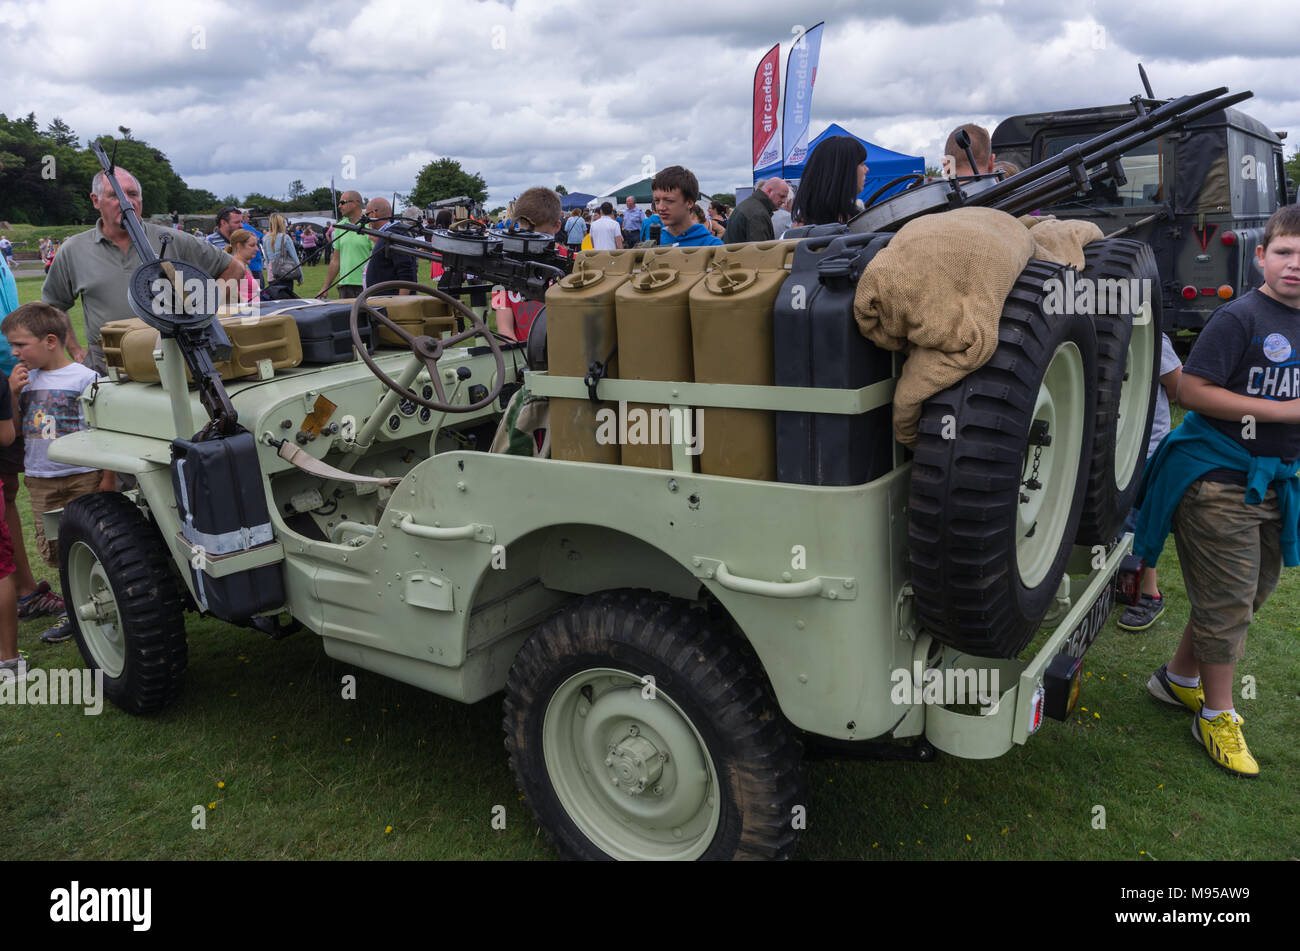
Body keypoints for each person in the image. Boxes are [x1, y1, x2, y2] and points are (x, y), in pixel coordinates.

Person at [1135, 204, 1300, 778]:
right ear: (1260, 258)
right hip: (1217, 477)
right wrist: (1281, 411)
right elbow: (1193, 392)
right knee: (1229, 600)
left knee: (1251, 591)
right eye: (1284, 252)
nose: (1295, 265)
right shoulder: (1240, 318)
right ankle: (1216, 713)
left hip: (1275, 481)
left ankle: (1177, 680)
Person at [43, 167, 241, 375]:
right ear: (95, 200)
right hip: (109, 368)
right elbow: (54, 306)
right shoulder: (74, 250)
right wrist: (75, 350)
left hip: (174, 363)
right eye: (114, 195)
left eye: (132, 194)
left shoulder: (171, 239)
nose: (126, 201)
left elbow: (233, 268)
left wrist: (203, 311)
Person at [2, 302, 112, 644]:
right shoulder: (24, 380)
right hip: (40, 479)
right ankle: (75, 610)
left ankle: (109, 601)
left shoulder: (86, 378)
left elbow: (105, 430)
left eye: (20, 345)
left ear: (51, 341)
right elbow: (16, 432)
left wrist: (108, 477)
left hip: (84, 475)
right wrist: (12, 393)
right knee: (58, 550)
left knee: (95, 543)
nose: (14, 352)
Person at [0, 253, 53, 627]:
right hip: (5, 384)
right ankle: (23, 591)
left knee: (6, 491)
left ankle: (23, 588)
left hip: (11, 380)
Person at [1116, 332, 1183, 631]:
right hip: (1110, 453)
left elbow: (1177, 385)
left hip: (1145, 452)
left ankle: (1149, 595)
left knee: (1139, 528)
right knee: (1115, 525)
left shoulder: (1147, 333)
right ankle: (1122, 584)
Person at [494, 187, 563, 343]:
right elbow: (504, 327)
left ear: (557, 226)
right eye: (528, 236)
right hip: (524, 358)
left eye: (541, 237)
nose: (534, 244)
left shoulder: (574, 263)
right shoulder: (503, 265)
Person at [790, 137, 868, 226]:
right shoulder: (854, 225)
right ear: (843, 171)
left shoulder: (801, 228)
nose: (866, 169)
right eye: (862, 164)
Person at [317, 191, 370, 299]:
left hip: (366, 286)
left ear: (355, 203)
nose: (339, 206)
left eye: (342, 202)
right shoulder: (340, 227)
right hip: (344, 286)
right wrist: (325, 286)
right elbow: (336, 260)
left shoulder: (371, 226)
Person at [652, 166, 722, 248]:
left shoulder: (711, 246)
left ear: (689, 203)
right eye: (657, 201)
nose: (660, 207)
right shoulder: (653, 243)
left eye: (669, 201)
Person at [363, 197, 418, 294]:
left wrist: (401, 305)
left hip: (392, 304)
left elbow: (406, 273)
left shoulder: (394, 235)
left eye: (367, 215)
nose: (367, 219)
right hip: (384, 303)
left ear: (374, 213)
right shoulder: (389, 234)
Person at [723, 177, 790, 243]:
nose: (784, 201)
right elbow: (759, 251)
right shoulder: (758, 214)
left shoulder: (750, 206)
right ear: (769, 191)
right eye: (781, 196)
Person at [263, 213, 301, 300]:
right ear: (281, 224)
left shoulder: (265, 239)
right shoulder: (285, 237)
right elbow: (295, 258)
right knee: (287, 299)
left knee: (275, 299)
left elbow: (267, 259)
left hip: (272, 274)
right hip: (284, 272)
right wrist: (300, 276)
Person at [223, 229, 261, 307]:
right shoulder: (234, 269)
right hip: (245, 315)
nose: (257, 249)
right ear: (239, 246)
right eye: (252, 245)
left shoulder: (244, 266)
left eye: (256, 245)